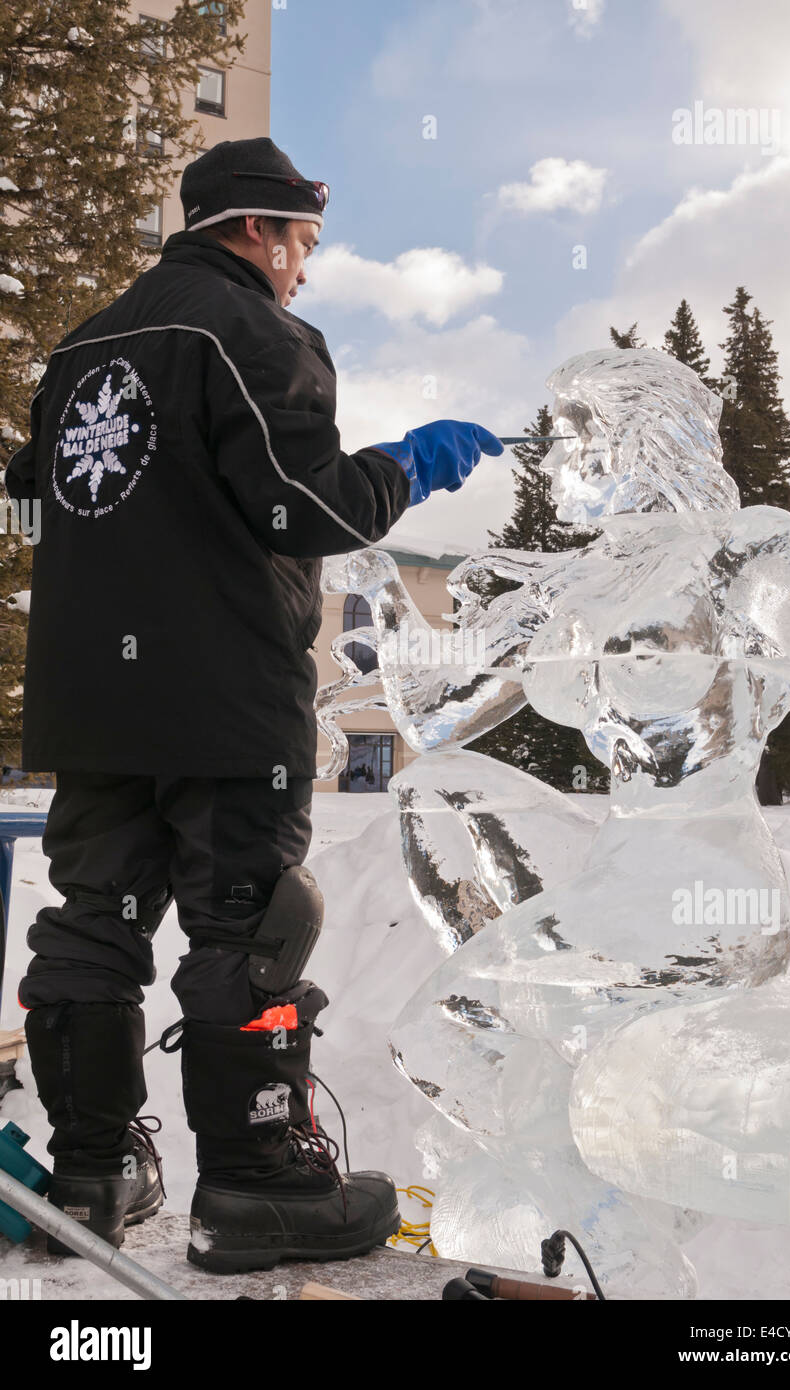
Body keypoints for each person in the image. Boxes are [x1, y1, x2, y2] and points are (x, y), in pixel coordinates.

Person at [2, 136, 503, 1273]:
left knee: (93, 922)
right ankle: (256, 1180)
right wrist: (406, 464)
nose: (304, 270)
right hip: (223, 697)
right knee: (249, 928)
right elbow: (299, 505)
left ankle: (91, 1167)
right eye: (302, 243)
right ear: (252, 229)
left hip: (92, 700)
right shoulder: (251, 332)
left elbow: (31, 499)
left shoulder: (83, 347)